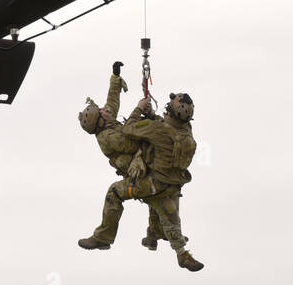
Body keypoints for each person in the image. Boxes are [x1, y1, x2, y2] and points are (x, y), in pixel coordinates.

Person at [79, 89, 204, 273]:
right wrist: (149, 115)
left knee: (119, 193)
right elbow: (138, 136)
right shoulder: (184, 129)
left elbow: (131, 129)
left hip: (153, 181)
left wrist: (139, 110)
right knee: (164, 208)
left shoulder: (155, 129)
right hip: (172, 180)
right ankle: (157, 237)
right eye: (102, 111)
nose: (106, 110)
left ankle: (105, 237)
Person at [77, 62, 164, 247]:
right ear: (100, 121)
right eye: (101, 111)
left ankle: (155, 234)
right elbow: (132, 139)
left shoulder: (106, 122)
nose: (104, 109)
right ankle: (103, 238)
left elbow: (112, 101)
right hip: (137, 173)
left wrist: (115, 77)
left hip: (146, 167)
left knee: (156, 196)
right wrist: (139, 110)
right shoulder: (108, 137)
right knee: (115, 192)